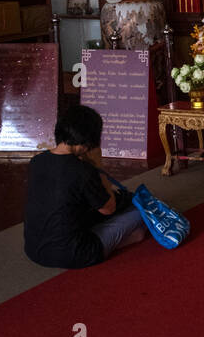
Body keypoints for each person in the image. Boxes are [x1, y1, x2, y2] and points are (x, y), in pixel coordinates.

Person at [23, 104, 146, 268]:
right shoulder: (83, 171)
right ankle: (119, 241)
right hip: (76, 254)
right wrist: (98, 166)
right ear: (89, 141)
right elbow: (109, 208)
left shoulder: (37, 161)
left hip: (34, 250)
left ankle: (116, 238)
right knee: (140, 212)